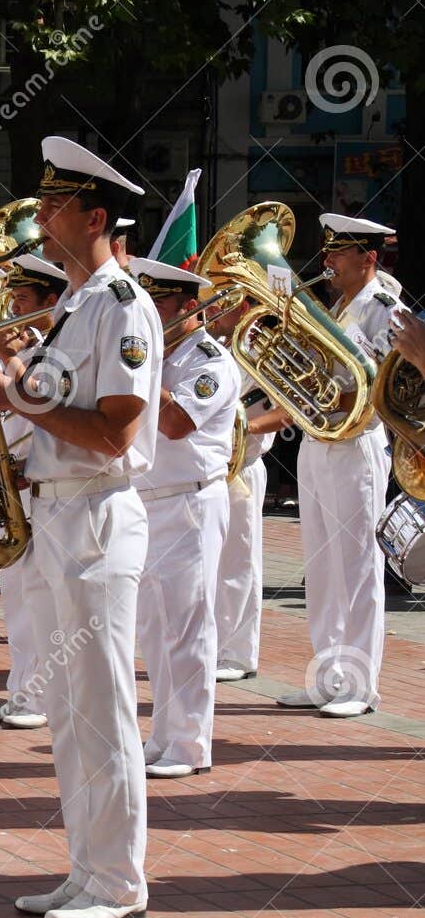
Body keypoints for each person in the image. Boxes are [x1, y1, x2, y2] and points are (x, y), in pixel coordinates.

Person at [0, 138, 159, 918]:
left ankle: (118, 882)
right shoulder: (73, 306)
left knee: (101, 707)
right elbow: (51, 415)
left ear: (95, 218)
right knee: (71, 710)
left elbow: (113, 433)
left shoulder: (121, 305)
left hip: (98, 514)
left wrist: (13, 399)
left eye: (53, 207)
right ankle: (87, 870)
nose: (39, 220)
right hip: (57, 512)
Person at [276, 213, 404, 717]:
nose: (327, 260)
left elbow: (391, 386)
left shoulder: (384, 310)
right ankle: (327, 677)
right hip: (317, 441)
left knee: (357, 568)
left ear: (368, 257)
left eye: (338, 252)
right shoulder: (337, 306)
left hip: (356, 446)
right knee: (323, 567)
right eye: (327, 250)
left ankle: (360, 685)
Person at [132, 259, 239, 777]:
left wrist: (139, 370)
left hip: (191, 502)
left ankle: (191, 744)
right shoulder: (156, 356)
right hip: (147, 499)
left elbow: (176, 423)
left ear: (189, 307)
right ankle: (163, 732)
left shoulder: (209, 360)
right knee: (154, 628)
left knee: (189, 626)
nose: (149, 314)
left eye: (159, 303)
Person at [0, 251, 68, 730]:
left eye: (24, 301)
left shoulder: (56, 355)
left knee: (42, 600)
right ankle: (24, 691)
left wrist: (10, 359)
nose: (13, 312)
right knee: (18, 597)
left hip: (44, 488)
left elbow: (36, 400)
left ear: (51, 303)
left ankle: (40, 696)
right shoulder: (29, 354)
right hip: (16, 486)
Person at [209, 292, 277, 681]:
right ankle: (214, 644)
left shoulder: (262, 348)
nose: (213, 309)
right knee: (212, 561)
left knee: (239, 560)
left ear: (245, 307)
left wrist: (242, 428)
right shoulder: (214, 345)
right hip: (211, 465)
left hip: (242, 464)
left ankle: (238, 653)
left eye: (224, 302)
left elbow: (285, 410)